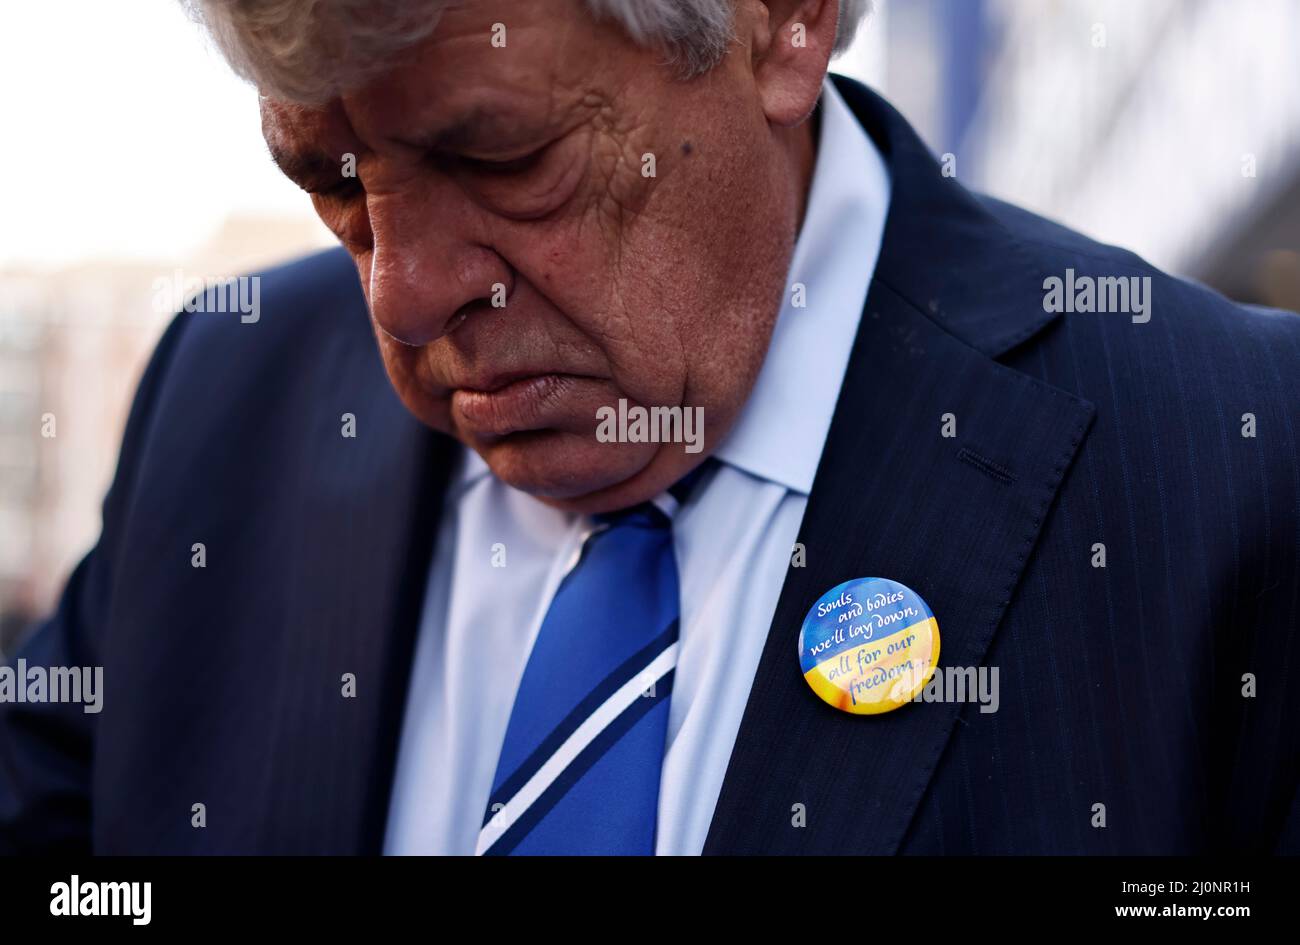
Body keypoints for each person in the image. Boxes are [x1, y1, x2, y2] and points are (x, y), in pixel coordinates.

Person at [1, 0, 1296, 855]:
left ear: (783, 25)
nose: (399, 288)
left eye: (501, 161)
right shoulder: (223, 400)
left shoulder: (1234, 463)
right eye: (331, 180)